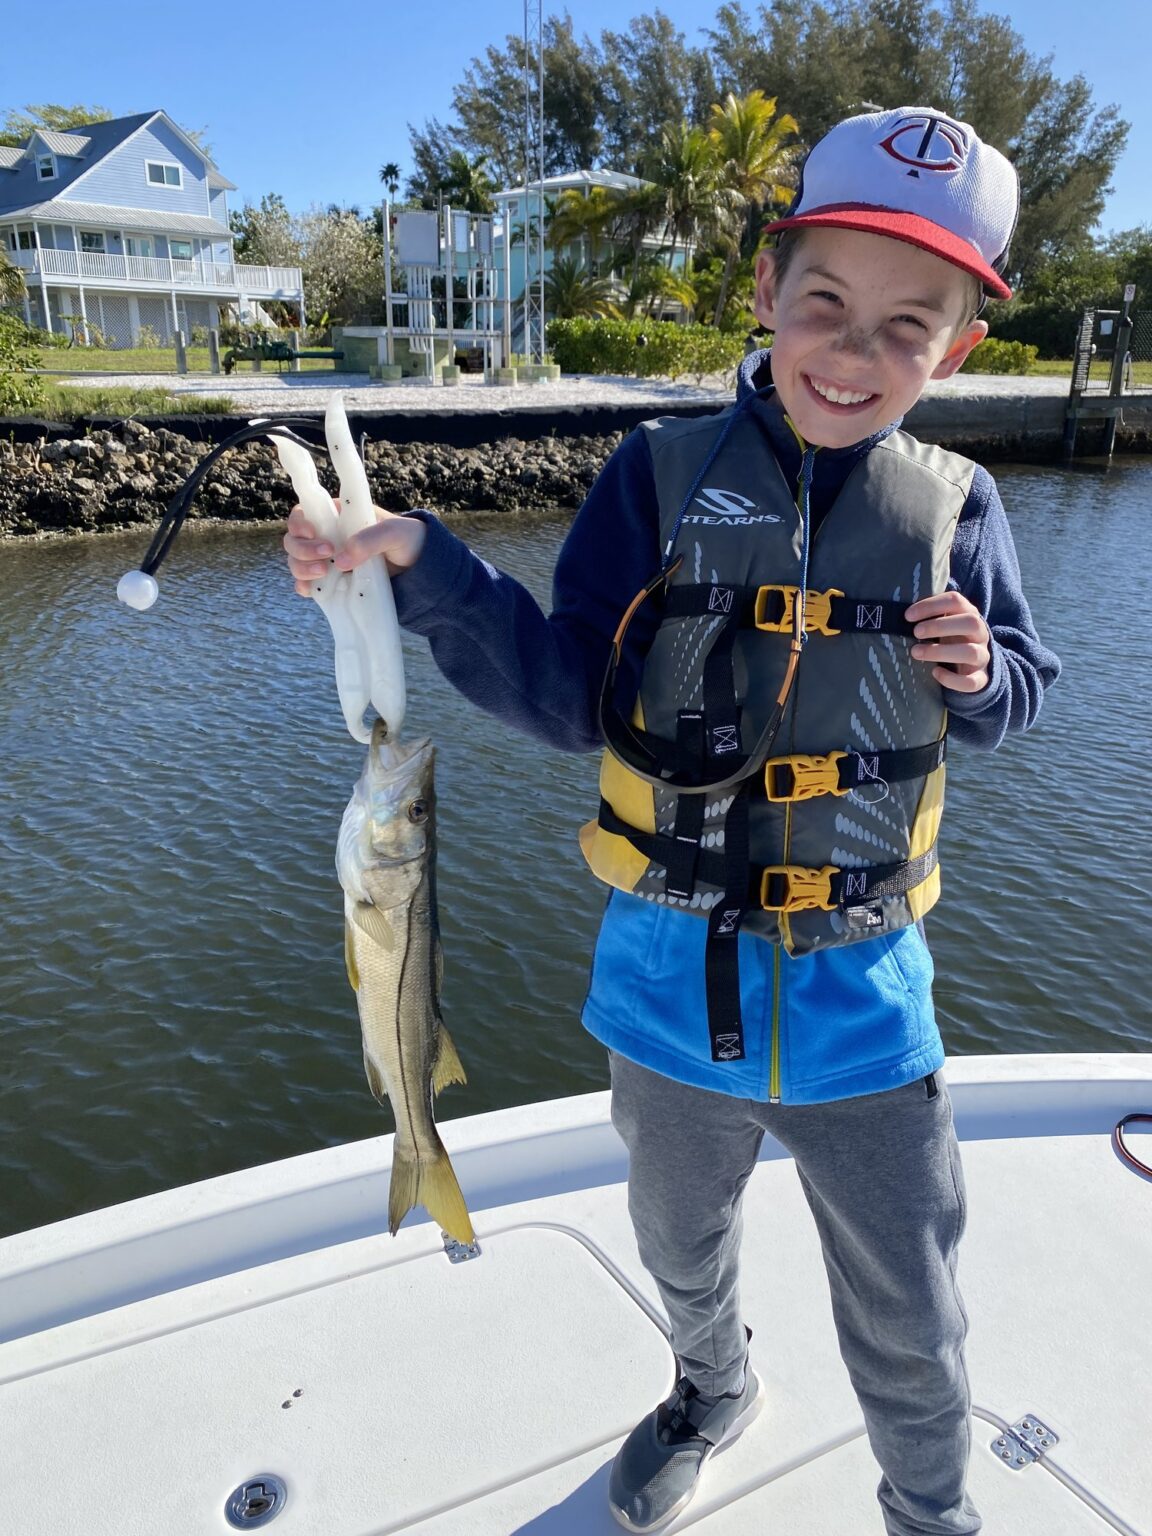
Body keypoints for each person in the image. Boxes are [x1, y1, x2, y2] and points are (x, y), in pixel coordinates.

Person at [284, 106, 1060, 1536]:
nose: (854, 350)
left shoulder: (963, 503)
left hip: (866, 1007)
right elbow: (572, 691)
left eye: (909, 327)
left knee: (909, 1300)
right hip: (663, 990)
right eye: (826, 301)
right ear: (767, 289)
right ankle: (712, 1388)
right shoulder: (656, 475)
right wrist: (424, 569)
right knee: (678, 1241)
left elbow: (1021, 693)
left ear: (958, 350)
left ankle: (932, 1510)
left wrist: (983, 673)